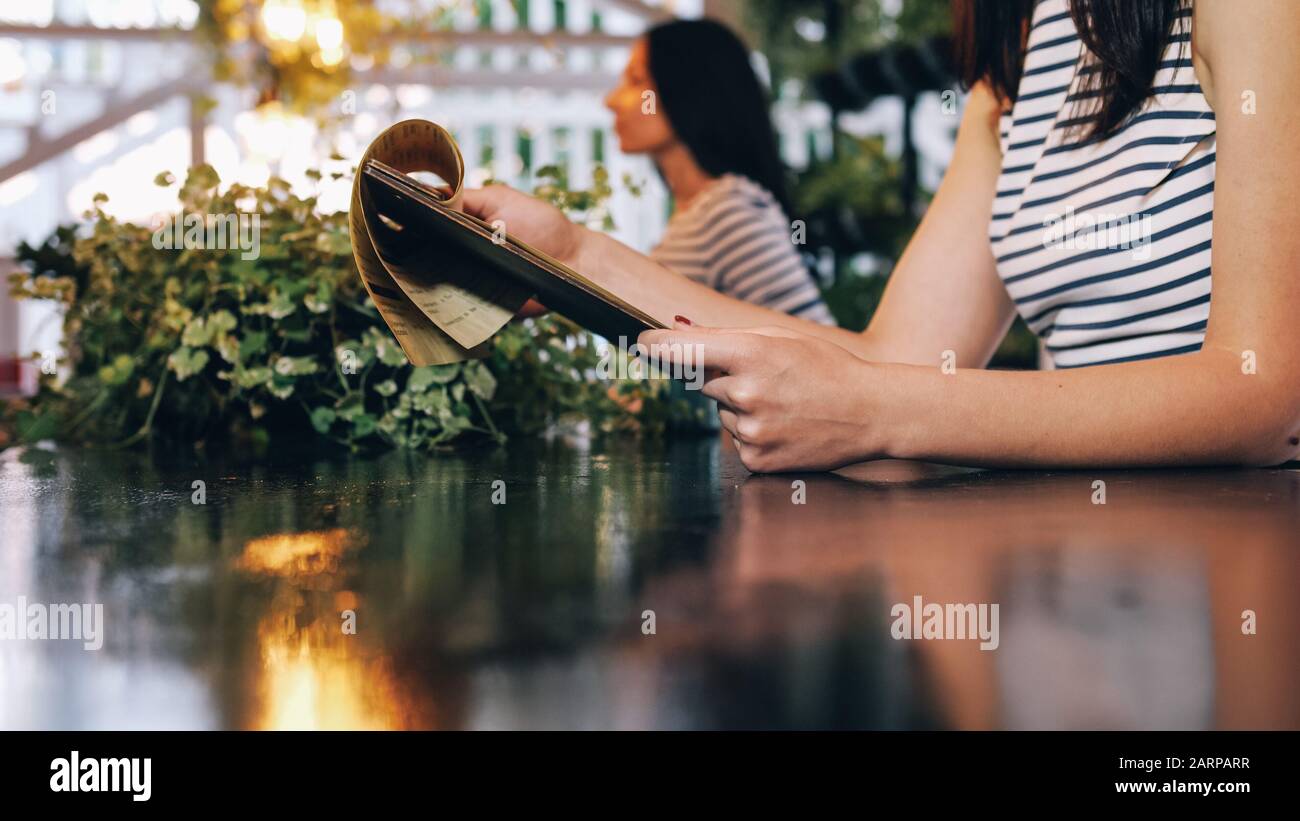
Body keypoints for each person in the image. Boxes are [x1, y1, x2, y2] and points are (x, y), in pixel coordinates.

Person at [466, 1, 1300, 472]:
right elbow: (898, 358)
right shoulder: (1009, 65)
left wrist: (880, 413)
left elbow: (1261, 394)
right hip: (1078, 583)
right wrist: (574, 255)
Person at [603, 19, 833, 323]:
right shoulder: (698, 209)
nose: (612, 100)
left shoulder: (729, 208)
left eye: (636, 80)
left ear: (688, 90)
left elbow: (814, 344)